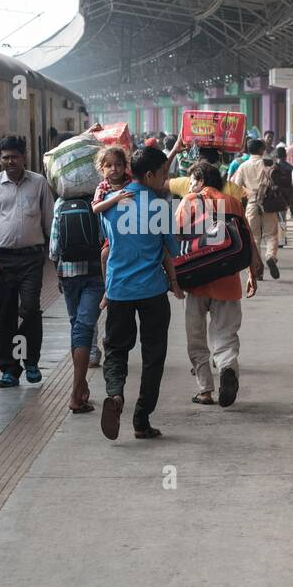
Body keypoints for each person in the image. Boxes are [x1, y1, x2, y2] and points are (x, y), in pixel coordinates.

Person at [98, 145, 183, 440]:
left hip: (119, 290)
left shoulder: (110, 202)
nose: (166, 179)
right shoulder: (160, 206)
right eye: (163, 174)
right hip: (152, 292)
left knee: (116, 350)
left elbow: (107, 244)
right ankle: (141, 420)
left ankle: (115, 394)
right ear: (149, 175)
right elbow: (173, 248)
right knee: (153, 356)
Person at [177, 160, 261, 407]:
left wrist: (173, 279)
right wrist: (253, 273)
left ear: (201, 180)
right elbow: (247, 239)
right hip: (227, 280)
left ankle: (204, 390)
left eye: (192, 180)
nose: (190, 185)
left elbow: (173, 240)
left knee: (196, 338)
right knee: (225, 333)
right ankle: (227, 368)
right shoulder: (232, 202)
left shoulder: (189, 201)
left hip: (195, 280)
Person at [0, 136, 53, 388]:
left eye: (14, 156)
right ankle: (9, 369)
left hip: (31, 258)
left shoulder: (39, 183)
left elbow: (49, 221)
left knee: (30, 309)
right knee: (6, 313)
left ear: (24, 157)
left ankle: (30, 361)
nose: (9, 161)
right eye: (5, 157)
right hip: (1, 260)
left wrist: (51, 257)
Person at [49, 191, 105, 414]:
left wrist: (59, 274)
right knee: (83, 329)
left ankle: (81, 387)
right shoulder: (100, 201)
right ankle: (75, 394)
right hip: (94, 273)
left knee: (77, 329)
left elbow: (54, 248)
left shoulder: (61, 203)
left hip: (69, 273)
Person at [231, 138, 282, 279]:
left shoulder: (243, 166)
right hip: (268, 204)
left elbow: (236, 187)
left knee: (254, 238)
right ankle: (271, 256)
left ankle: (257, 269)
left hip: (252, 204)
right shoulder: (269, 163)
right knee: (271, 234)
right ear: (261, 150)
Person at [273, 146, 293, 248]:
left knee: (274, 219)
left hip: (273, 196)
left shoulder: (273, 167)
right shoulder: (290, 168)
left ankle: (276, 239)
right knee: (282, 218)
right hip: (285, 197)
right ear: (285, 156)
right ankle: (281, 240)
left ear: (276, 156)